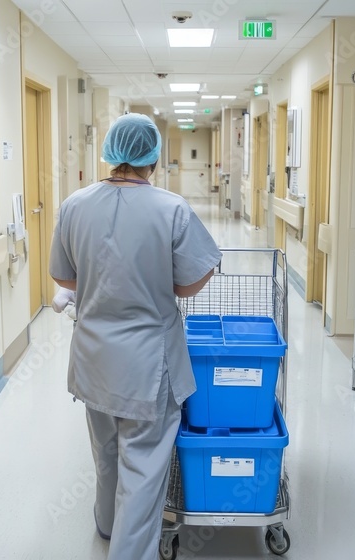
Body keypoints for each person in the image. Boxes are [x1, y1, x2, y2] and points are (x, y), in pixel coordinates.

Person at [49, 113, 221, 559]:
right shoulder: (171, 209)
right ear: (153, 158)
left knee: (105, 451)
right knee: (143, 470)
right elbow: (188, 283)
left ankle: (106, 526)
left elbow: (63, 278)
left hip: (94, 360)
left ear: (110, 152)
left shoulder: (74, 205)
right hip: (148, 365)